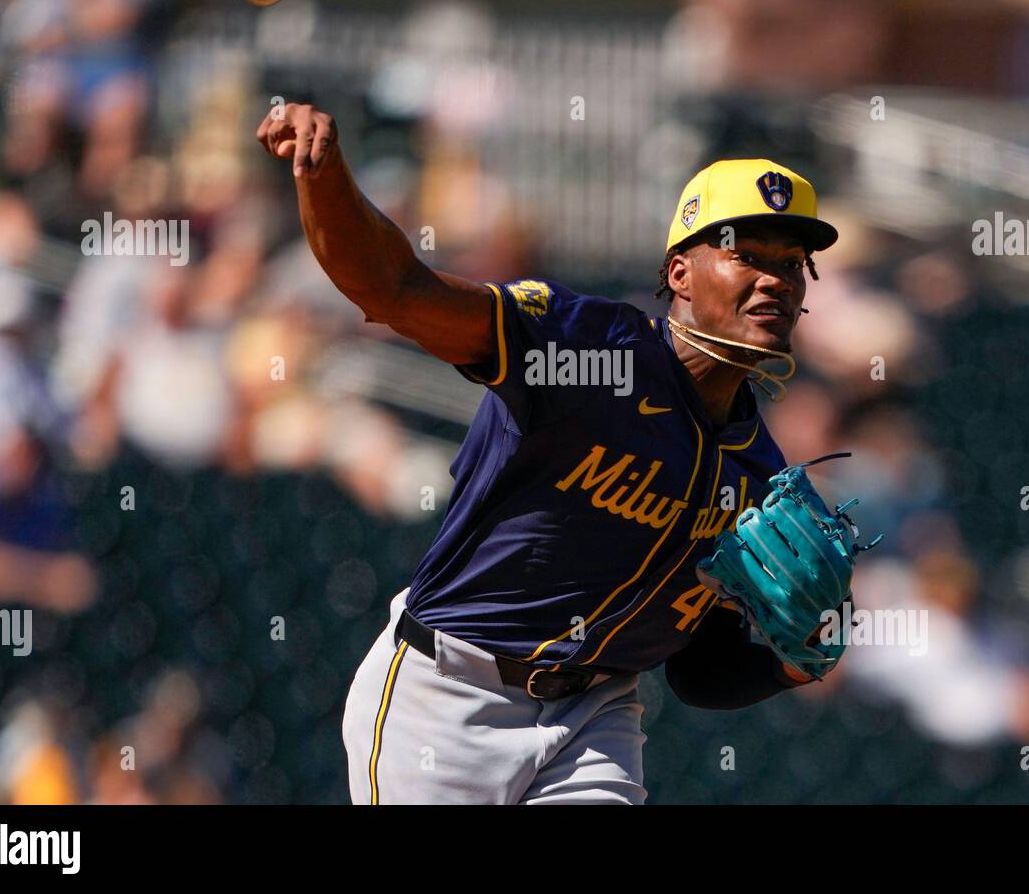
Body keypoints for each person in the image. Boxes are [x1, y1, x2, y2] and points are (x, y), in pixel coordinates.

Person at [256, 104, 843, 804]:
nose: (777, 279)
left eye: (792, 263)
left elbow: (695, 671)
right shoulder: (584, 353)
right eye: (748, 254)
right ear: (680, 272)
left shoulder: (756, 473)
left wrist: (793, 661)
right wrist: (325, 182)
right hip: (447, 696)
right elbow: (399, 291)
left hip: (594, 715)